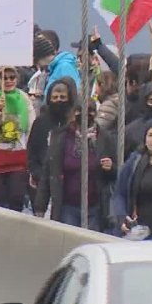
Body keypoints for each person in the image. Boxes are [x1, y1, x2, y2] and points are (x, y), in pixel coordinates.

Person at [34, 79, 111, 231]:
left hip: (95, 207)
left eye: (90, 110)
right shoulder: (61, 137)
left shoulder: (104, 138)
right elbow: (48, 173)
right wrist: (40, 207)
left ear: (95, 113)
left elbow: (115, 174)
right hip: (68, 206)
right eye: (80, 111)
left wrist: (110, 167)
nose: (85, 114)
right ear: (74, 113)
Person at [0, 66, 33, 212]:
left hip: (18, 155)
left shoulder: (24, 97)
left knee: (16, 198)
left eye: (11, 77)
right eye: (4, 78)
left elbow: (31, 125)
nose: (8, 81)